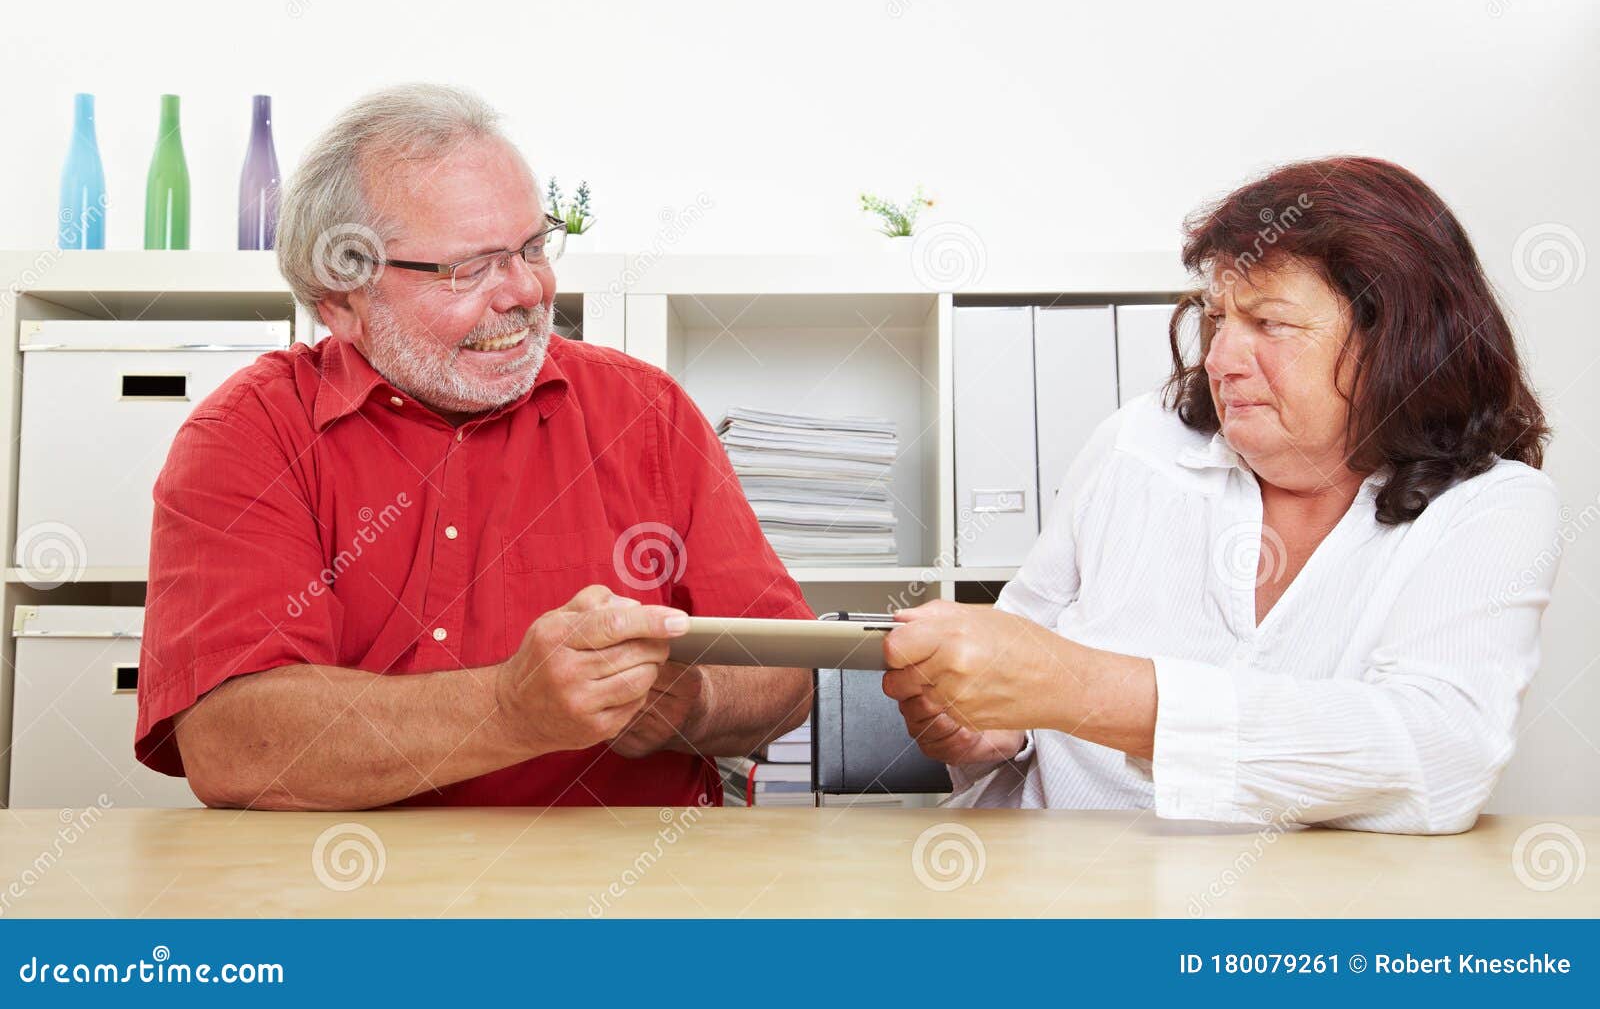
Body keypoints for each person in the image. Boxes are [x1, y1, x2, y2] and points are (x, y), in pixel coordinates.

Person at [134, 83, 811, 809]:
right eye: (472, 267)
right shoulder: (246, 435)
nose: (526, 290)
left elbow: (785, 671)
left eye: (531, 247)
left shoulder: (644, 411)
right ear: (342, 299)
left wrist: (697, 703)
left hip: (630, 901)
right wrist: (511, 709)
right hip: (356, 899)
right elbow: (231, 745)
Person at [885, 156, 1559, 833]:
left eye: (1270, 323)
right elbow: (1017, 663)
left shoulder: (1493, 508)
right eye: (1217, 317)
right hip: (1051, 889)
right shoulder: (1135, 443)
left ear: (1397, 340)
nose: (1220, 358)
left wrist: (1089, 690)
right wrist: (991, 730)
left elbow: (1440, 756)